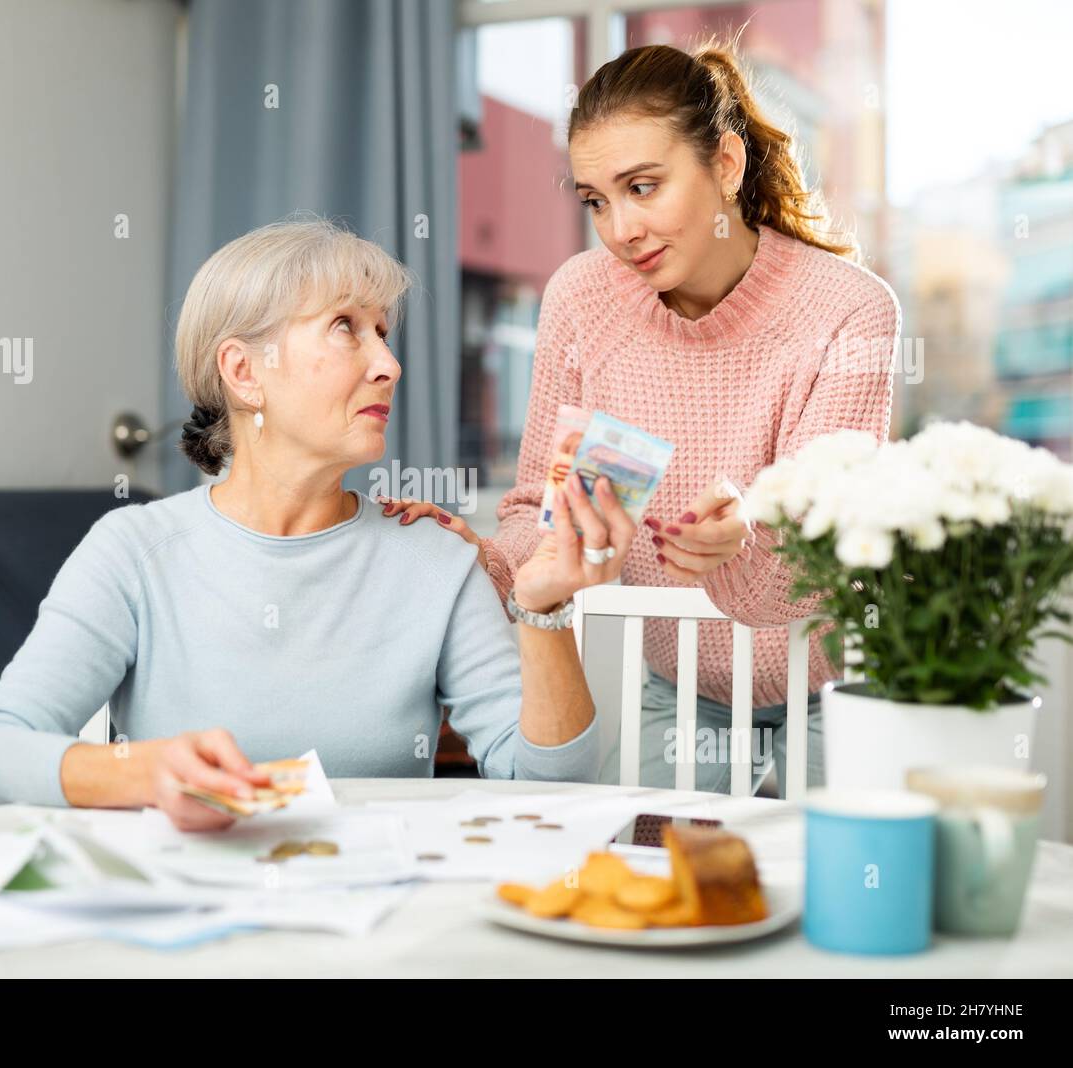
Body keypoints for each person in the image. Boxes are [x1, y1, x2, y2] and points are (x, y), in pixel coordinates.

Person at [0, 218, 637, 830]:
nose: (389, 365)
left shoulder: (432, 558)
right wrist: (138, 772)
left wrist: (541, 609)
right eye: (345, 328)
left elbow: (553, 792)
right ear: (245, 373)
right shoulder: (135, 552)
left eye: (384, 335)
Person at [381, 42, 901, 798]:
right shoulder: (584, 301)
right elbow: (551, 508)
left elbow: (824, 556)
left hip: (831, 685)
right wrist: (489, 560)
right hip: (678, 686)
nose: (620, 229)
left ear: (726, 165)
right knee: (654, 886)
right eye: (596, 199)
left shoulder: (849, 310)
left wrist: (741, 542)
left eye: (644, 186)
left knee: (832, 901)